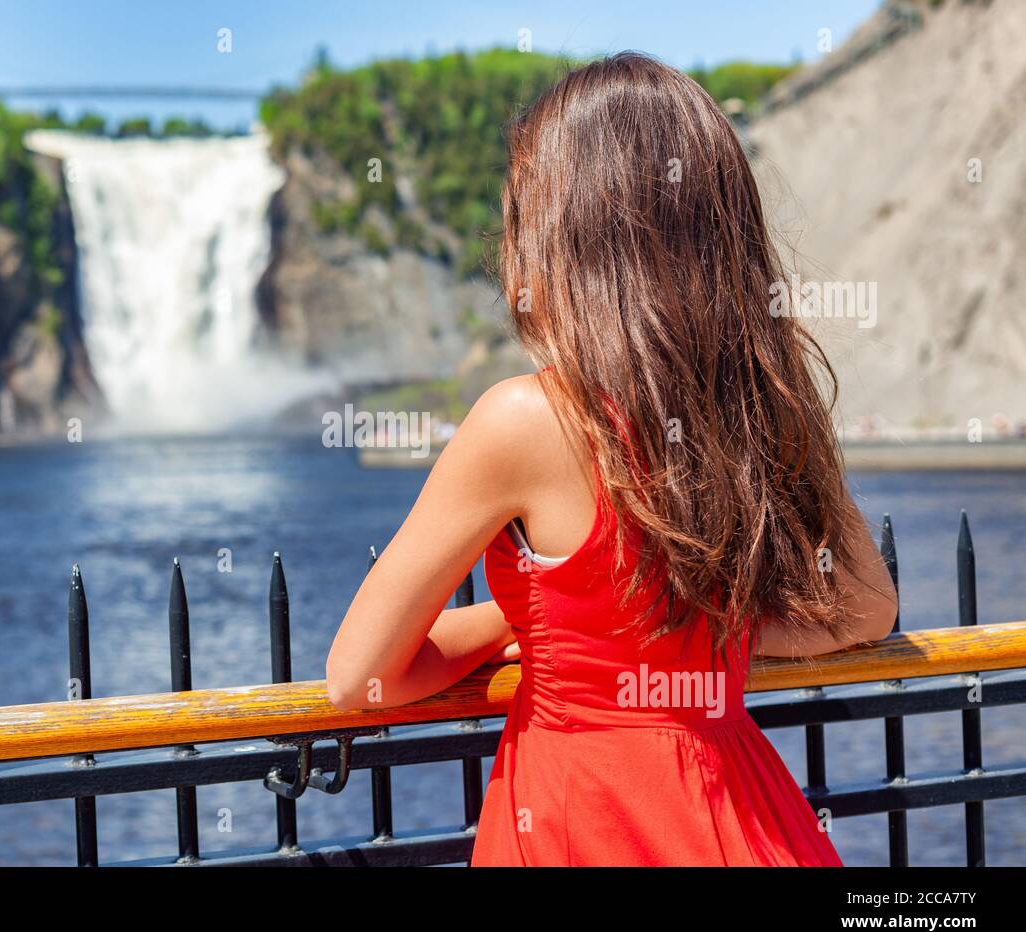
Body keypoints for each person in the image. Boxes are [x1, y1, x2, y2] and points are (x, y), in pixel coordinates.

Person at [325, 53, 898, 866]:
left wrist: (523, 628)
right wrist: (701, 642)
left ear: (564, 228)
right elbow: (867, 608)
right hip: (741, 812)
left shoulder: (524, 419)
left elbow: (357, 678)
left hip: (581, 819)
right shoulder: (762, 393)